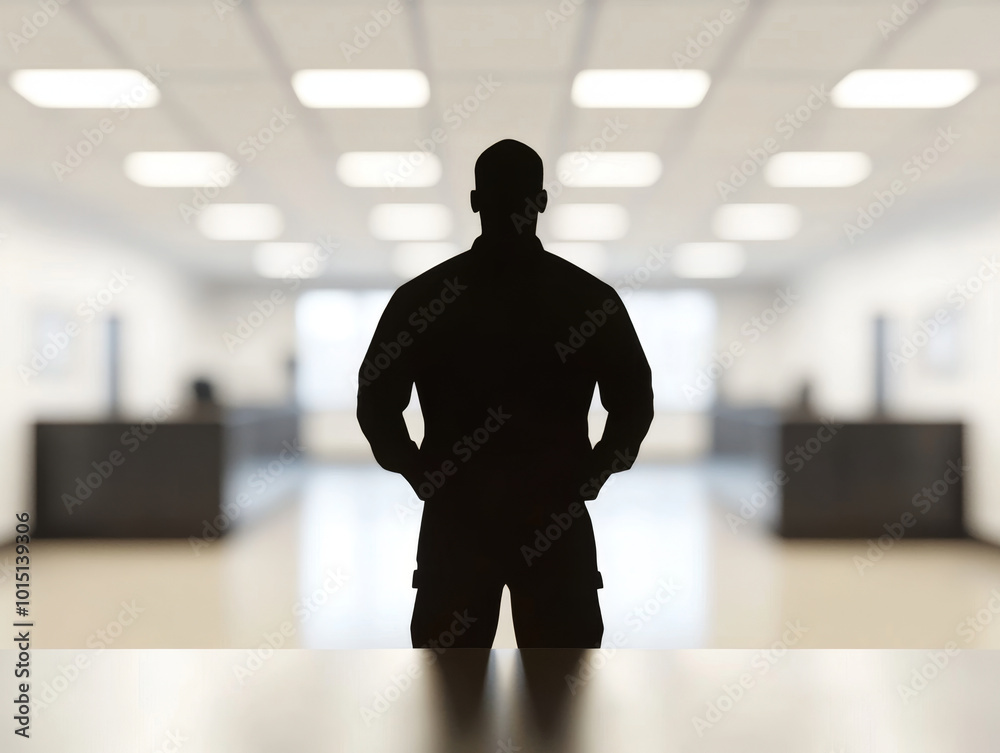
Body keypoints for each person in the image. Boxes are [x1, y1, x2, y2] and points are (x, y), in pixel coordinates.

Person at [357, 139, 653, 648]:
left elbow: (376, 402)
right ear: (541, 200)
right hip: (554, 518)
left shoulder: (424, 298)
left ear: (475, 200)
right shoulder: (589, 299)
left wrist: (421, 473)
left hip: (457, 520)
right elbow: (634, 403)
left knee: (450, 696)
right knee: (561, 696)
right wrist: (595, 472)